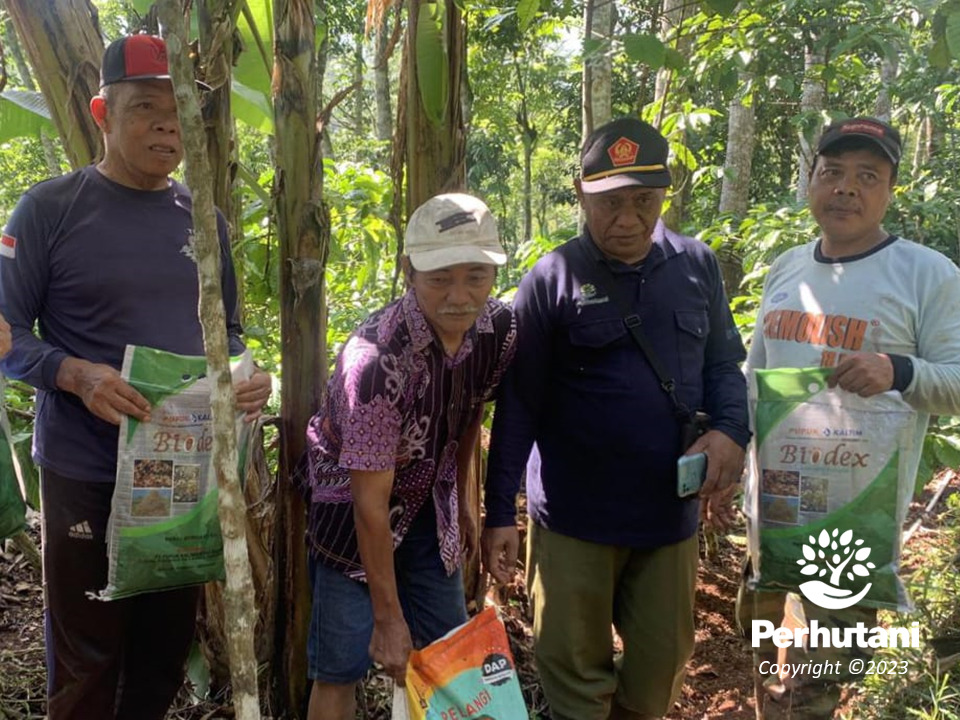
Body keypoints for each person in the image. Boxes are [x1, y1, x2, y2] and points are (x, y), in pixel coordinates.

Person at [0, 35, 271, 720]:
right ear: (103, 113)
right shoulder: (50, 210)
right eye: (146, 107)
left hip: (178, 478)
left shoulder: (202, 219)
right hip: (86, 471)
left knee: (160, 655)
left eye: (179, 112)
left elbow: (227, 331)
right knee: (87, 659)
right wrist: (74, 374)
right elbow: (6, 335)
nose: (166, 126)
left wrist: (245, 374)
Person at [482, 117, 750, 720]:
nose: (627, 219)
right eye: (610, 203)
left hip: (667, 515)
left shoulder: (697, 266)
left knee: (661, 667)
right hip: (574, 519)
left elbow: (723, 363)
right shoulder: (550, 280)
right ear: (582, 194)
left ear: (664, 197)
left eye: (643, 201)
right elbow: (519, 405)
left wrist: (732, 431)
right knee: (573, 674)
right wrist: (500, 512)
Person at [739, 116, 960, 718]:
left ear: (890, 190)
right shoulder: (788, 267)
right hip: (773, 513)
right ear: (811, 180)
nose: (845, 188)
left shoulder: (927, 274)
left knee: (812, 686)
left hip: (852, 526)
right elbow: (754, 380)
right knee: (765, 662)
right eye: (832, 171)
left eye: (867, 176)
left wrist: (900, 371)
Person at [297, 192, 517, 720]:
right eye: (440, 278)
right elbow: (369, 505)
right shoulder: (375, 362)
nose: (459, 297)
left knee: (449, 654)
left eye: (476, 276)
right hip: (351, 517)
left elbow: (468, 414)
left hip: (428, 502)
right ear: (409, 271)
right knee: (341, 667)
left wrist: (464, 502)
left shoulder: (498, 329)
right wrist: (388, 618)